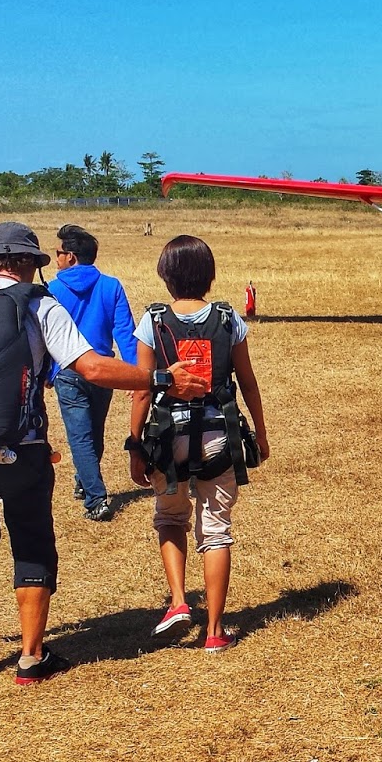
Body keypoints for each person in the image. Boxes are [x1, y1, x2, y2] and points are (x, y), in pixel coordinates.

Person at [0, 222, 209, 687]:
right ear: (30, 264)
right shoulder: (38, 305)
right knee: (32, 543)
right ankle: (31, 658)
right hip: (17, 450)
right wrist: (163, 379)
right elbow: (92, 368)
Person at [127, 235, 269, 653]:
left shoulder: (152, 321)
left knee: (170, 517)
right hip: (218, 434)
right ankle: (215, 630)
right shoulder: (228, 319)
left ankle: (177, 602)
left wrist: (135, 445)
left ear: (166, 275)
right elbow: (247, 382)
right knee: (216, 528)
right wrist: (261, 434)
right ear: (209, 274)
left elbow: (141, 391)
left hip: (167, 435)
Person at [48, 224, 139, 522]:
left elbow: (43, 336)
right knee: (94, 432)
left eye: (58, 253)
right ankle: (85, 482)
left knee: (80, 436)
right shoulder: (111, 286)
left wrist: (46, 372)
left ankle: (95, 499)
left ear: (71, 257)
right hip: (104, 371)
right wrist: (136, 374)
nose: (56, 258)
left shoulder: (52, 290)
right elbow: (125, 333)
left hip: (68, 371)